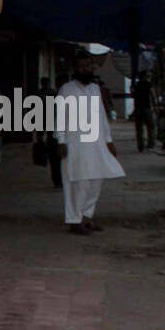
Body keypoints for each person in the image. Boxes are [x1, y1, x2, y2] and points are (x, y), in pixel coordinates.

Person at [53, 52, 125, 235]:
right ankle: (74, 221)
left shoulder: (95, 88)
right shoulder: (67, 89)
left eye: (88, 65)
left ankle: (86, 217)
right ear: (75, 69)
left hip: (97, 143)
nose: (86, 69)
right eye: (82, 66)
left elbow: (101, 116)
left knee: (96, 181)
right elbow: (60, 116)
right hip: (75, 144)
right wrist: (60, 140)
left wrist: (109, 141)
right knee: (78, 182)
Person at [36, 75, 63, 188]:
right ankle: (58, 180)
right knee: (54, 155)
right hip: (48, 124)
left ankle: (58, 180)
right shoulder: (49, 94)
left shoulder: (51, 93)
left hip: (53, 125)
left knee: (55, 156)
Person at [132, 70, 155, 152]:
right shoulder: (149, 84)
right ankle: (150, 144)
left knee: (139, 128)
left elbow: (133, 95)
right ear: (145, 76)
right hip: (147, 107)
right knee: (151, 126)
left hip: (138, 108)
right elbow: (152, 95)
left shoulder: (136, 85)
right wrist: (155, 105)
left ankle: (140, 146)